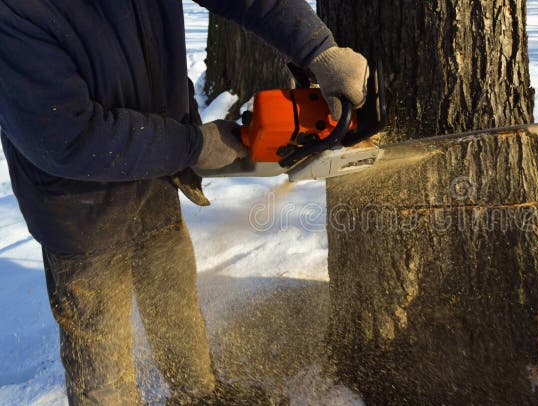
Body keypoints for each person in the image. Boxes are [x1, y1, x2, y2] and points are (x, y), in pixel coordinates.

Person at [0, 0, 368, 404]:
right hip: (78, 205)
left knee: (174, 298)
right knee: (100, 343)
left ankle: (199, 394)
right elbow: (66, 138)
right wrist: (193, 146)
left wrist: (317, 48)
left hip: (157, 171)